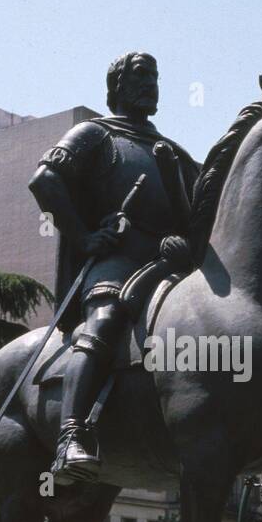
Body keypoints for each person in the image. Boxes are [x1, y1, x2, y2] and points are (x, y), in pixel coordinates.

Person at [29, 51, 200, 484]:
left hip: (169, 264)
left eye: (155, 77)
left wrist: (186, 240)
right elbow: (45, 179)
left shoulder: (174, 152)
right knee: (103, 322)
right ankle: (71, 434)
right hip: (118, 259)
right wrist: (85, 235)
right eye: (140, 76)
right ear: (117, 88)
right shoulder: (94, 134)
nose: (150, 85)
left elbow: (199, 217)